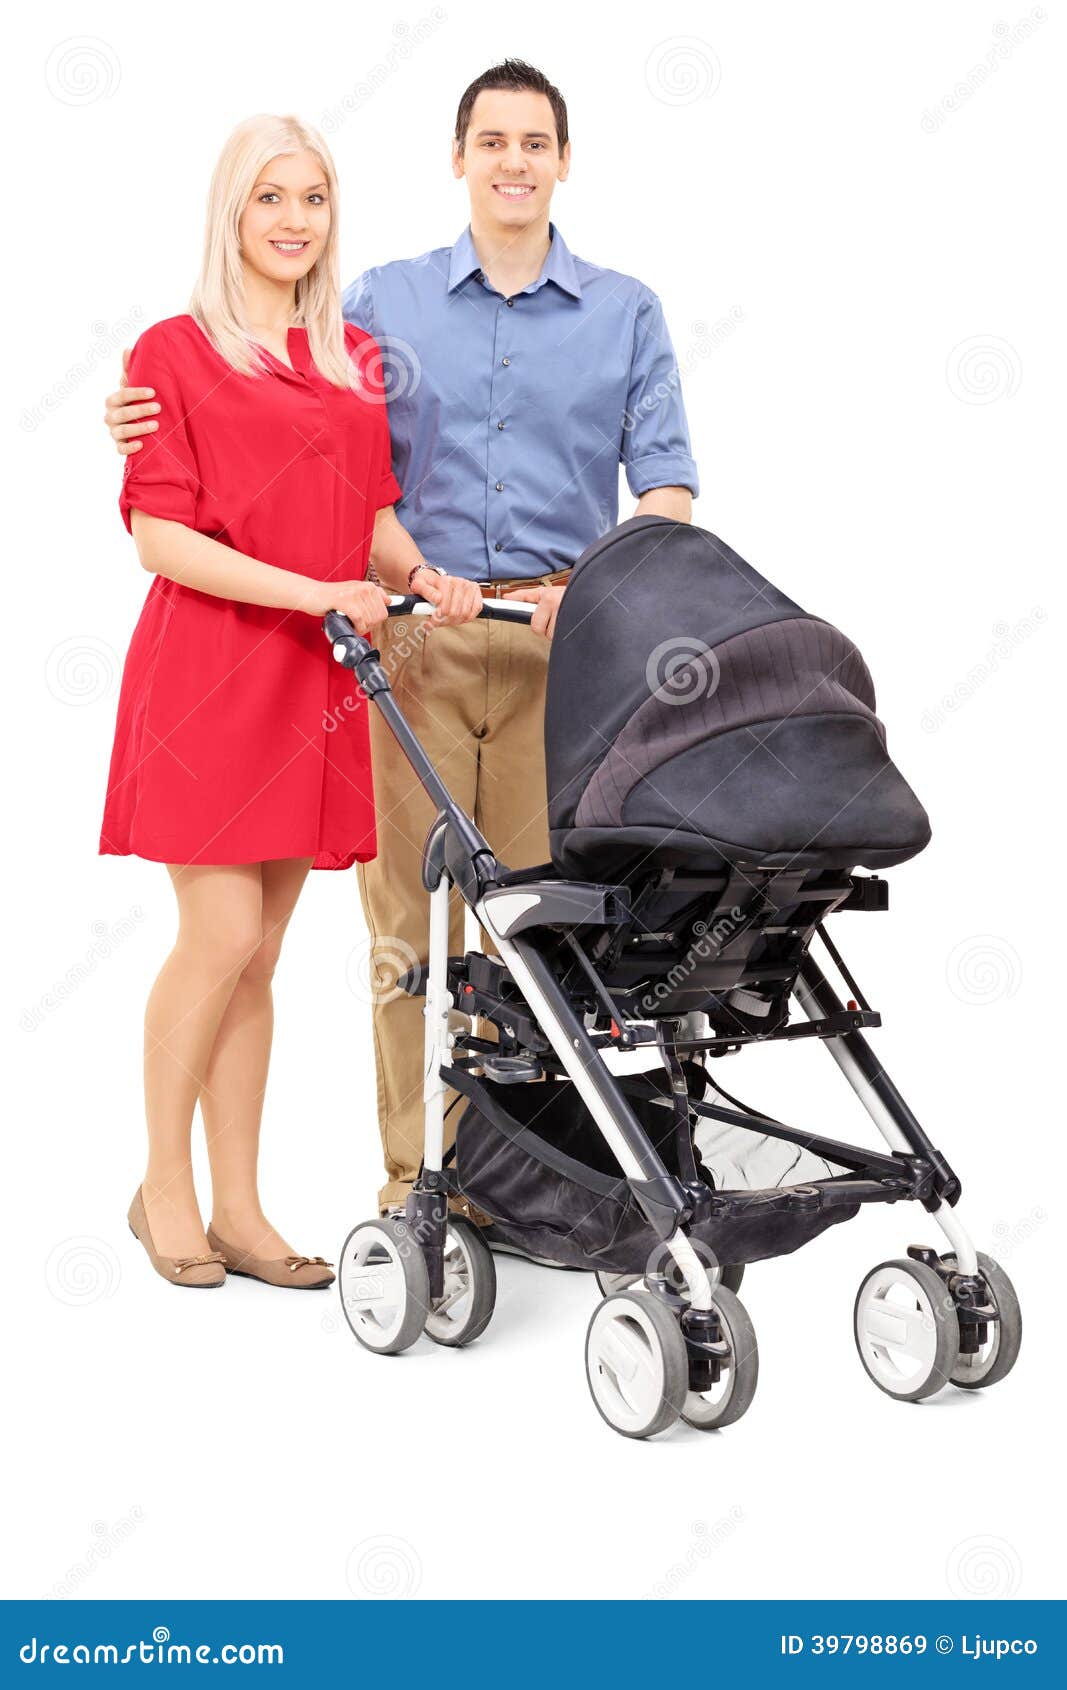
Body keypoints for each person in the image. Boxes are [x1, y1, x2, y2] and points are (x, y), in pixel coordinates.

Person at [104, 62, 699, 1228]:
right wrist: (127, 411)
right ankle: (415, 1182)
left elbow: (665, 483)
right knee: (405, 934)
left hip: (541, 646)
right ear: (458, 157)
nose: (514, 160)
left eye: (536, 141)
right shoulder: (378, 306)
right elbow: (225, 417)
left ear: (564, 159)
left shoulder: (614, 310)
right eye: (492, 139)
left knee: (528, 927)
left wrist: (597, 586)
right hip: (397, 654)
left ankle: (516, 1181)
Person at [100, 112, 482, 1287]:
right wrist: (311, 588)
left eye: (312, 198)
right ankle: (162, 1187)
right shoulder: (170, 350)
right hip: (212, 670)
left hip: (313, 674)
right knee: (215, 933)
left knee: (259, 955)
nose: (293, 220)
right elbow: (160, 536)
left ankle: (242, 1209)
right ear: (232, 211)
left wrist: (411, 572)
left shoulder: (352, 356)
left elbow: (367, 508)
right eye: (270, 196)